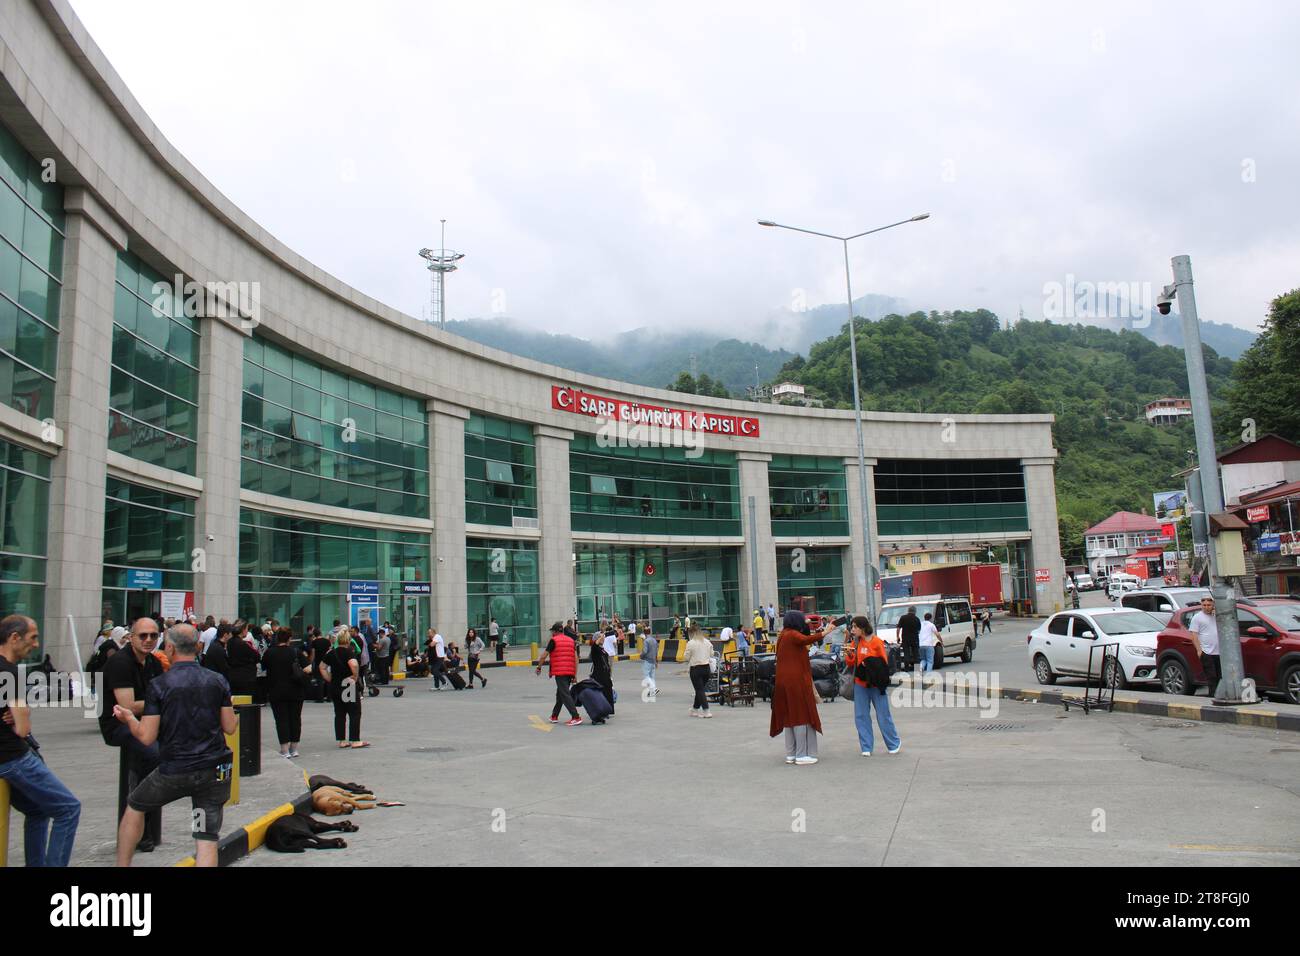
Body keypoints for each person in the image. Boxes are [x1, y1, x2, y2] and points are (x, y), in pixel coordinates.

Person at [112, 624, 236, 867]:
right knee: (205, 836)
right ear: (198, 647)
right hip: (213, 772)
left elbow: (147, 737)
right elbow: (230, 727)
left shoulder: (159, 685)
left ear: (169, 648)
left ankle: (122, 866)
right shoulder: (217, 681)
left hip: (174, 771)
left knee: (136, 806)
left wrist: (128, 718)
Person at [0, 615, 81, 866]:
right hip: (14, 758)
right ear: (14, 638)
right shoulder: (9, 672)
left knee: (37, 810)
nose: (35, 644)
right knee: (69, 809)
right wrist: (21, 715)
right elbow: (23, 729)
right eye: (32, 637)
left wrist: (18, 713)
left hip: (7, 758)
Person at [99, 617, 164, 850]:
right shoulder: (120, 663)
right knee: (152, 755)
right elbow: (126, 707)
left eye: (153, 636)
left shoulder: (153, 663)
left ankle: (143, 816)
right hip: (118, 726)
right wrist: (159, 701)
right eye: (143, 636)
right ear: (131, 637)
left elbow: (160, 696)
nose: (148, 640)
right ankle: (139, 824)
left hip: (147, 721)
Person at [769, 610, 825, 765]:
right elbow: (807, 639)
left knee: (789, 717)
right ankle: (801, 755)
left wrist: (808, 624)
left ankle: (791, 754)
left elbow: (804, 637)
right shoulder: (792, 635)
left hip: (784, 681)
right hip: (796, 680)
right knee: (801, 715)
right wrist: (825, 632)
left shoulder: (784, 635)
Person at [843, 616, 901, 756]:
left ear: (862, 628)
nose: (852, 630)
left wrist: (869, 663)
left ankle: (893, 743)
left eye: (855, 627)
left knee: (883, 715)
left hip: (876, 684)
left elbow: (883, 663)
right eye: (852, 627)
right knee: (861, 716)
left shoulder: (876, 642)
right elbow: (850, 663)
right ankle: (866, 747)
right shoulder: (855, 643)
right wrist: (850, 655)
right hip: (860, 683)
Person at [264, 627, 310, 758]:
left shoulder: (270, 652)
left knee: (281, 719)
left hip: (276, 690)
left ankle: (284, 749)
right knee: (295, 718)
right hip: (296, 690)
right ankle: (294, 748)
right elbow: (308, 668)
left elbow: (263, 666)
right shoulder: (296, 652)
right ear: (290, 638)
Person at [321, 628, 368, 748]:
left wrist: (329, 679)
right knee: (354, 712)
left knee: (339, 713)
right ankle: (355, 740)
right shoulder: (349, 652)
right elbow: (354, 664)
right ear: (348, 640)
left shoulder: (332, 653)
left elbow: (322, 667)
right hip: (348, 686)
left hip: (335, 685)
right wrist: (355, 676)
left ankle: (342, 740)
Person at [535, 623, 582, 725]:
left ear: (555, 631)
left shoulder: (554, 640)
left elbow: (544, 656)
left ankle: (576, 716)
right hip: (569, 672)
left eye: (552, 631)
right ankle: (554, 716)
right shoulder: (570, 640)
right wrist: (575, 674)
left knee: (565, 694)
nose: (552, 633)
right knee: (560, 694)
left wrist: (539, 667)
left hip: (560, 672)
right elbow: (576, 658)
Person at [1188, 596, 1221, 698]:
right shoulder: (1197, 617)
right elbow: (1194, 635)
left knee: (1220, 675)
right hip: (1206, 651)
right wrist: (1199, 650)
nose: (1206, 607)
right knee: (1211, 676)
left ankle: (1220, 694)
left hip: (1219, 651)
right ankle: (1213, 695)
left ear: (1213, 605)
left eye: (1209, 605)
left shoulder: (1217, 615)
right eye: (1204, 605)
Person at [225, 619, 259, 698]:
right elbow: (257, 656)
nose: (247, 631)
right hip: (246, 677)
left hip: (233, 675)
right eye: (247, 629)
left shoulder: (230, 642)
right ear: (242, 630)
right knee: (245, 702)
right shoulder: (243, 644)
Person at [685, 627, 714, 718]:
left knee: (699, 690)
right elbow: (712, 654)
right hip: (706, 669)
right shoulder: (707, 642)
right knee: (700, 689)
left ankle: (706, 710)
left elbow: (686, 657)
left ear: (691, 634)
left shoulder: (691, 643)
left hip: (696, 669)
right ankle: (695, 709)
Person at [588, 633, 615, 714]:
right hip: (598, 675)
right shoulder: (595, 649)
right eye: (601, 638)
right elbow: (594, 645)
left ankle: (609, 709)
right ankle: (601, 709)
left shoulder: (602, 649)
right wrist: (600, 636)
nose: (603, 639)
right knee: (601, 693)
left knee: (608, 691)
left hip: (605, 674)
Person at [898, 606, 922, 672]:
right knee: (916, 654)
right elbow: (919, 630)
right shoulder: (917, 619)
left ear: (908, 610)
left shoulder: (903, 618)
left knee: (906, 654)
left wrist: (898, 637)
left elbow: (898, 628)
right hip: (915, 639)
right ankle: (917, 669)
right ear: (915, 611)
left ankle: (906, 669)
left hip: (905, 639)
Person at [640, 628, 659, 699]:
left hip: (647, 660)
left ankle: (653, 689)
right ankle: (653, 690)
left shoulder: (646, 641)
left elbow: (645, 651)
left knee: (646, 676)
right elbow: (656, 651)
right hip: (653, 661)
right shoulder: (654, 640)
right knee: (652, 676)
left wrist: (641, 656)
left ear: (644, 633)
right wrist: (657, 661)